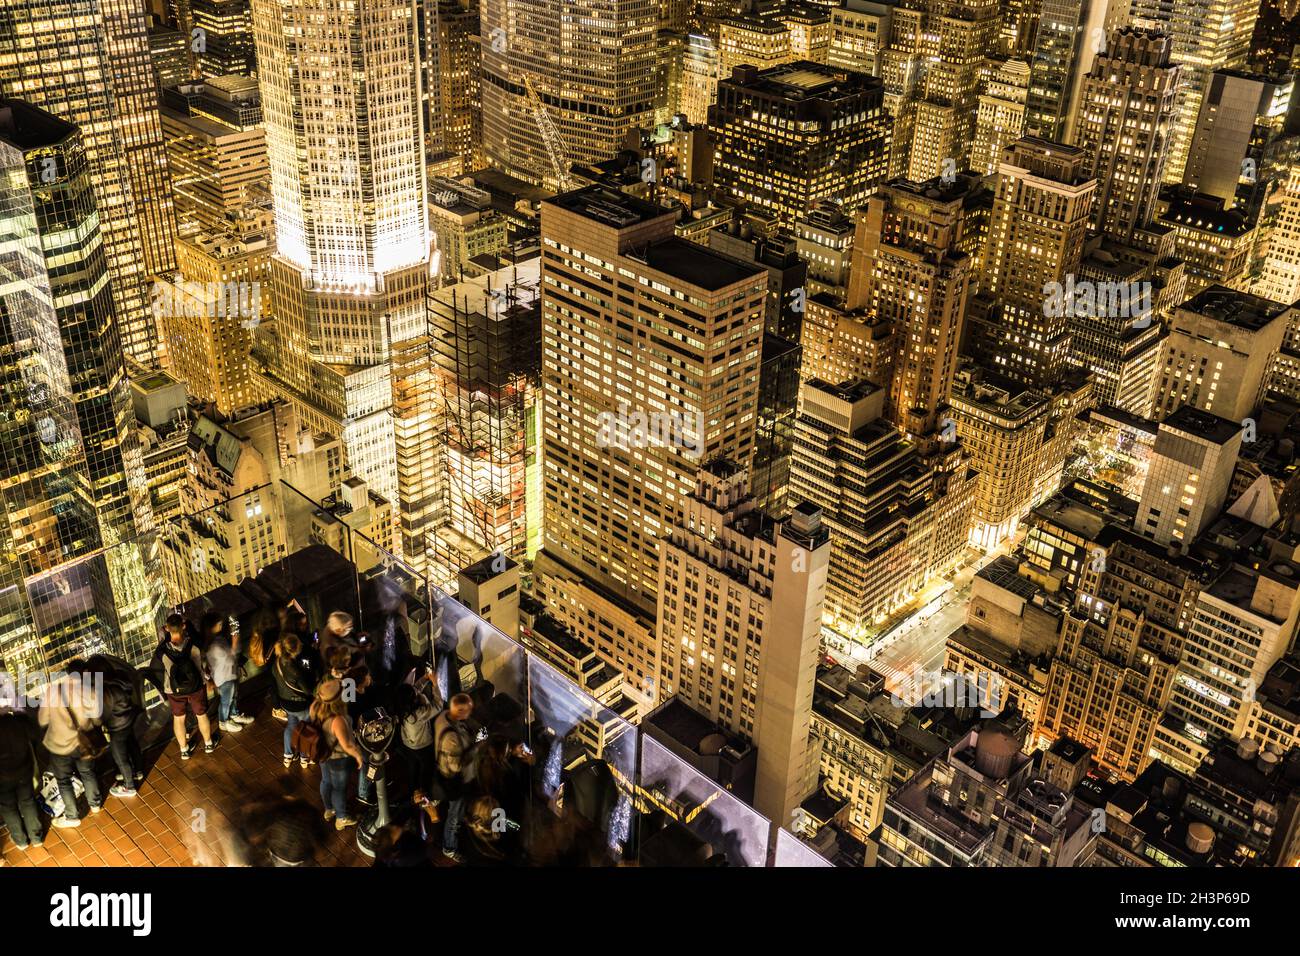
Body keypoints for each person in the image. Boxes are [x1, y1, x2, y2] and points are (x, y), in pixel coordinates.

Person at [36, 667, 103, 827]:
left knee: (63, 780)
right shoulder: (87, 692)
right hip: (83, 743)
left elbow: (42, 720)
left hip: (60, 745)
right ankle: (95, 804)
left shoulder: (53, 693)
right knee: (87, 772)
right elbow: (98, 720)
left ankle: (72, 816)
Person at [150, 614, 215, 758]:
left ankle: (184, 750)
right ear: (183, 626)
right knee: (201, 715)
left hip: (173, 689)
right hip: (196, 685)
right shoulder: (195, 644)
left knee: (178, 718)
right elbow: (204, 663)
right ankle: (208, 743)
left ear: (167, 629)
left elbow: (155, 667)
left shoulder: (162, 651)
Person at [310, 678, 363, 830]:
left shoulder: (314, 707)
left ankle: (329, 809)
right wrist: (358, 755)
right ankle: (341, 817)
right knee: (339, 788)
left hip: (322, 753)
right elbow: (346, 745)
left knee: (326, 781)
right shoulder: (337, 720)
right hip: (338, 759)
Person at [89, 654, 145, 797]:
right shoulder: (119, 676)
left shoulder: (104, 689)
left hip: (117, 725)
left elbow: (102, 713)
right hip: (128, 717)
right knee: (132, 743)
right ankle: (138, 771)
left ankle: (129, 786)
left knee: (119, 755)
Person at [434, 693, 475, 862]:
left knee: (453, 808)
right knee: (454, 815)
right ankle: (449, 847)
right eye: (467, 711)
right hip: (454, 781)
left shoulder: (443, 717)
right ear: (459, 711)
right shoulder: (452, 739)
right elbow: (456, 766)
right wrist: (475, 749)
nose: (470, 713)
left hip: (442, 773)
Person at [272, 633, 316, 768]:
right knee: (305, 729)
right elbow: (308, 690)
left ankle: (288, 756)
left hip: (286, 703)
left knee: (291, 726)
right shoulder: (296, 669)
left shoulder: (277, 663)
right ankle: (304, 757)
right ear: (295, 649)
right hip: (300, 705)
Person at [0, 708, 43, 849]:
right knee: (28, 801)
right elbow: (35, 733)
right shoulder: (16, 721)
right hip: (24, 769)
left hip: (3, 777)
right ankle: (36, 837)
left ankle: (21, 840)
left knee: (8, 808)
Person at [202, 613, 252, 734]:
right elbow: (230, 659)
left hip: (229, 674)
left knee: (233, 697)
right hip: (224, 677)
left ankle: (234, 714)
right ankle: (223, 722)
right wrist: (235, 644)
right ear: (212, 627)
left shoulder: (217, 640)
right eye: (219, 624)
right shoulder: (215, 646)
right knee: (226, 701)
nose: (221, 625)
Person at [394, 682, 437, 803]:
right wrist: (435, 685)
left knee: (412, 766)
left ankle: (413, 791)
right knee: (426, 768)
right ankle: (424, 794)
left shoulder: (400, 707)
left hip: (408, 744)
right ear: (413, 699)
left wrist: (425, 678)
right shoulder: (419, 713)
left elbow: (413, 690)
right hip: (423, 746)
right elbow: (438, 705)